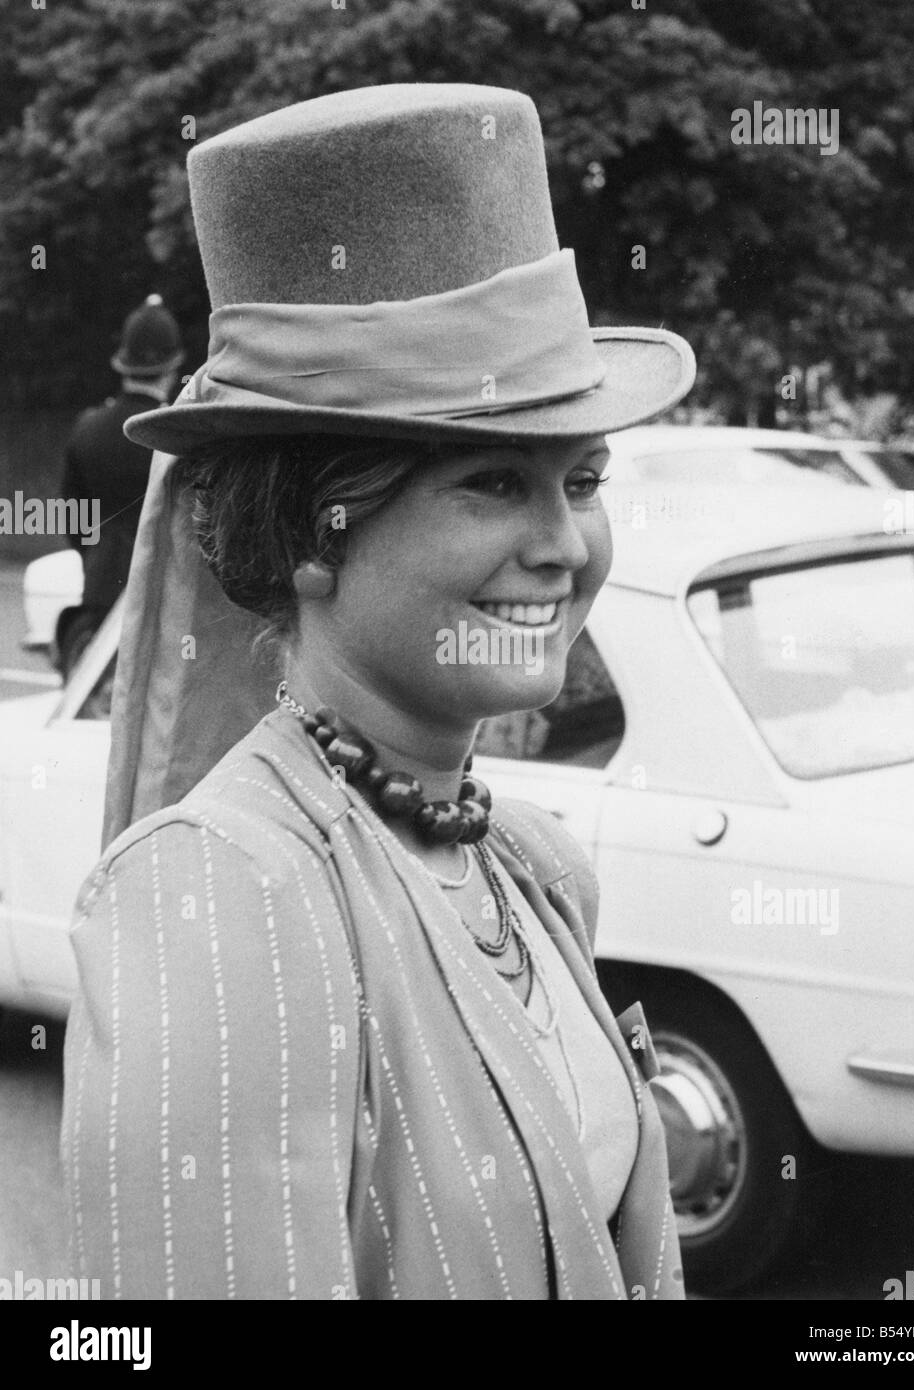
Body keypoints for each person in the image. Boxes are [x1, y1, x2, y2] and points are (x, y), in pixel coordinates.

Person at [60, 83, 697, 1300]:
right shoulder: (218, 896)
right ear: (309, 530)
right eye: (490, 485)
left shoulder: (535, 865)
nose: (564, 544)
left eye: (583, 479)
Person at [57, 295, 183, 676]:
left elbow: (74, 519)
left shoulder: (86, 428)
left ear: (122, 363)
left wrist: (97, 555)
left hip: (100, 591)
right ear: (173, 367)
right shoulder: (177, 433)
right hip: (164, 598)